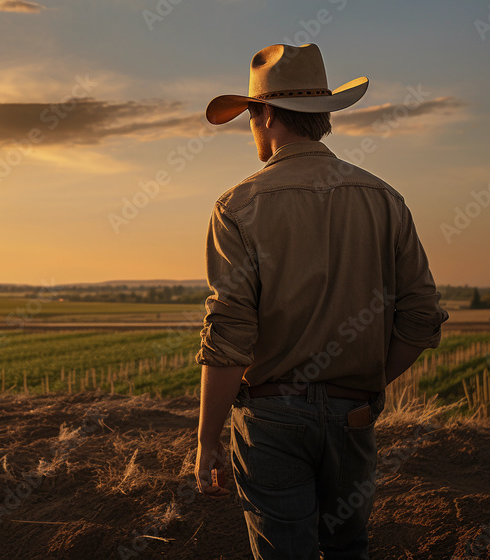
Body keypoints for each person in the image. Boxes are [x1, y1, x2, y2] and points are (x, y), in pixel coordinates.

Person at [192, 43, 449, 559]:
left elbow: (230, 335)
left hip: (270, 421)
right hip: (353, 414)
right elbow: (421, 317)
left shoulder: (237, 207)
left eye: (250, 115)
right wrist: (366, 386)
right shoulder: (384, 199)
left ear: (264, 115)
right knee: (347, 546)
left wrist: (207, 440)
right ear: (322, 116)